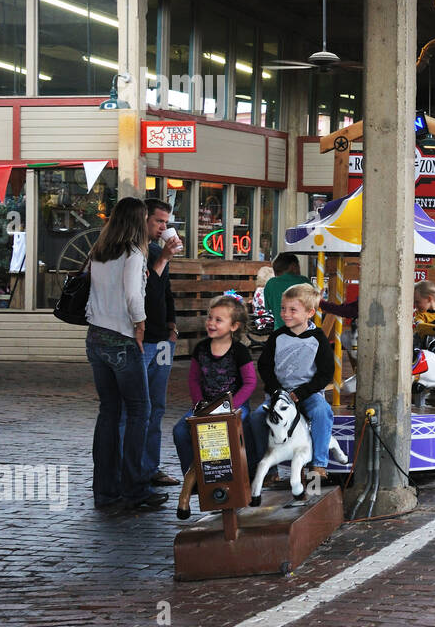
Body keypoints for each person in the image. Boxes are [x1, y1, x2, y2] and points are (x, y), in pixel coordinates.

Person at [86, 197, 166, 511]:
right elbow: (133, 296)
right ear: (136, 221)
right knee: (139, 412)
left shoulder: (99, 251)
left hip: (95, 338)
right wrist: (141, 327)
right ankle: (135, 487)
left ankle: (104, 490)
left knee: (108, 413)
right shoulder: (133, 253)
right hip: (121, 338)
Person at [119, 197, 185, 488]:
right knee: (134, 409)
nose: (163, 228)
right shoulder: (133, 253)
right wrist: (163, 259)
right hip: (139, 341)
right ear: (144, 219)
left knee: (157, 406)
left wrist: (172, 326)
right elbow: (144, 294)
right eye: (158, 221)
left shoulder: (158, 252)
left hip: (161, 341)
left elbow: (164, 291)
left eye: (166, 223)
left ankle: (149, 467)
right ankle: (128, 470)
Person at [251, 283, 336, 480]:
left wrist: (303, 392)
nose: (286, 314)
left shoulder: (318, 338)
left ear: (309, 312)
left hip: (308, 393)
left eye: (292, 310)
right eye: (283, 309)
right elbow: (265, 366)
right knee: (256, 419)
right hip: (279, 394)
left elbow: (325, 374)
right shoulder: (277, 336)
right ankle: (269, 469)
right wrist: (276, 390)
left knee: (323, 412)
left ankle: (318, 464)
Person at [171, 294, 258, 476]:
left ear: (234, 326)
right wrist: (199, 405)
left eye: (219, 320)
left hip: (234, 406)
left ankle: (248, 473)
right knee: (180, 431)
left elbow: (250, 382)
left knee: (241, 428)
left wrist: (231, 406)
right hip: (205, 406)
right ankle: (193, 475)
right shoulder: (201, 348)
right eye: (210, 318)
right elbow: (194, 379)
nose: (211, 323)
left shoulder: (239, 351)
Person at [264, 253, 309, 330]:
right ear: (293, 266)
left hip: (279, 332)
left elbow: (269, 307)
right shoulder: (304, 281)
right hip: (302, 331)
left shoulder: (271, 284)